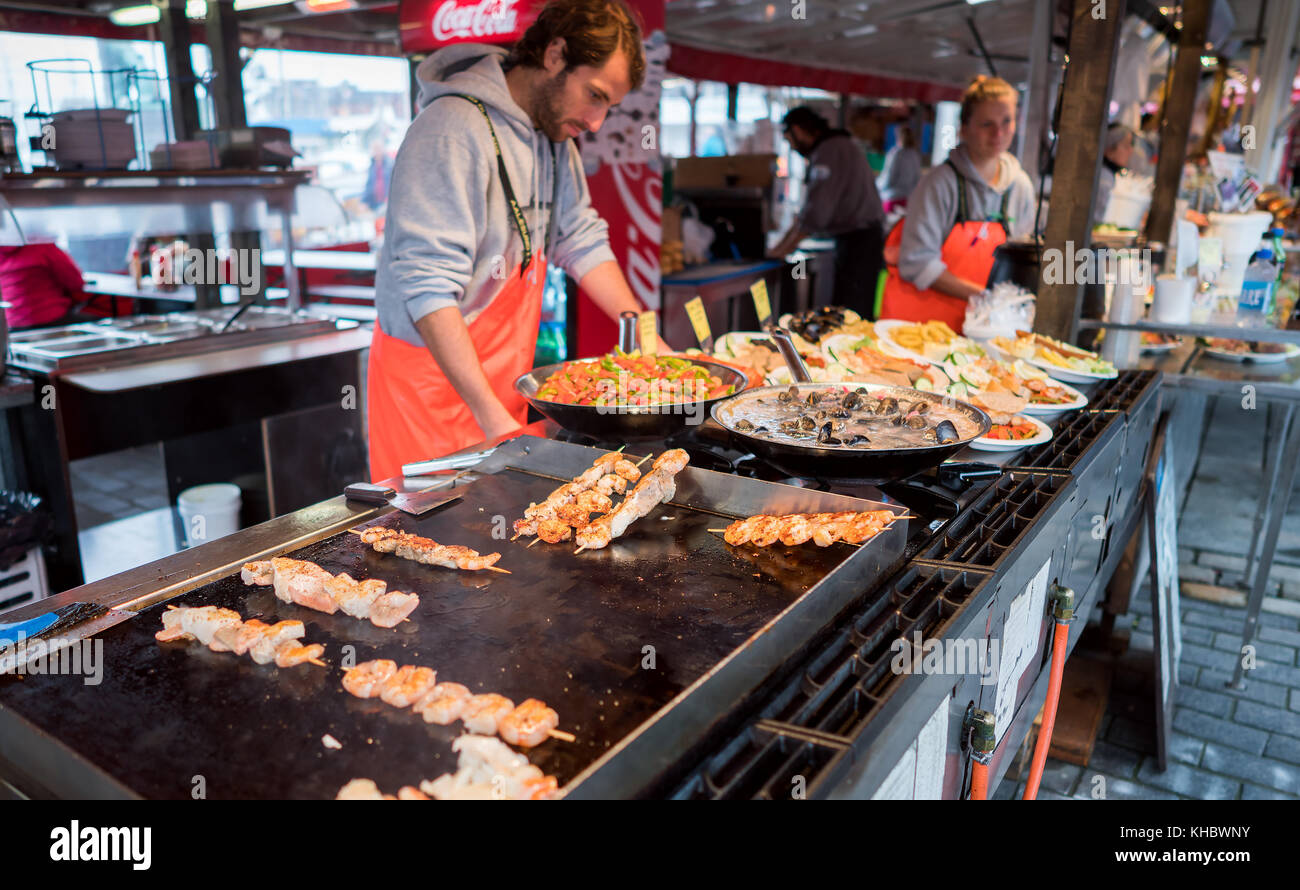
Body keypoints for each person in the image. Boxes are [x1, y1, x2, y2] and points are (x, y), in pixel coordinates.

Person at [367, 0, 651, 481]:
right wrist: (492, 418)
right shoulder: (451, 130)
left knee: (499, 541)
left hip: (497, 391)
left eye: (610, 106)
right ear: (556, 55)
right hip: (430, 396)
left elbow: (579, 237)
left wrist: (643, 335)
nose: (597, 121)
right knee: (423, 546)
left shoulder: (554, 138)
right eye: (595, 95)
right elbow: (428, 287)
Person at [881, 76, 1036, 332]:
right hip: (922, 331)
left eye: (1006, 122)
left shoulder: (1020, 186)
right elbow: (917, 262)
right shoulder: (939, 184)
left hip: (985, 333)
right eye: (987, 124)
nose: (998, 133)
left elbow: (1021, 260)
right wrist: (987, 298)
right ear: (964, 128)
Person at [768, 106, 885, 318]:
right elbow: (810, 212)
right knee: (852, 311)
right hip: (862, 239)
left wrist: (782, 249)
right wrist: (783, 244)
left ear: (798, 130)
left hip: (860, 243)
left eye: (789, 140)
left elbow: (816, 214)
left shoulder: (829, 151)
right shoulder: (839, 145)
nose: (792, 147)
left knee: (851, 313)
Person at [0, 243, 85, 330]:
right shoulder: (44, 247)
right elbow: (76, 283)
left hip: (12, 324)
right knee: (96, 319)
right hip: (51, 318)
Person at [1095, 123, 1135, 225]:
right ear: (1109, 149)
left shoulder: (1108, 175)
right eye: (1126, 146)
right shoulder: (1104, 179)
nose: (1131, 151)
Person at [877, 124, 922, 212]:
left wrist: (876, 185)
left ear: (898, 137)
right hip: (908, 201)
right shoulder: (915, 155)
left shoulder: (895, 154)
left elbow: (888, 179)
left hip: (892, 200)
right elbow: (917, 180)